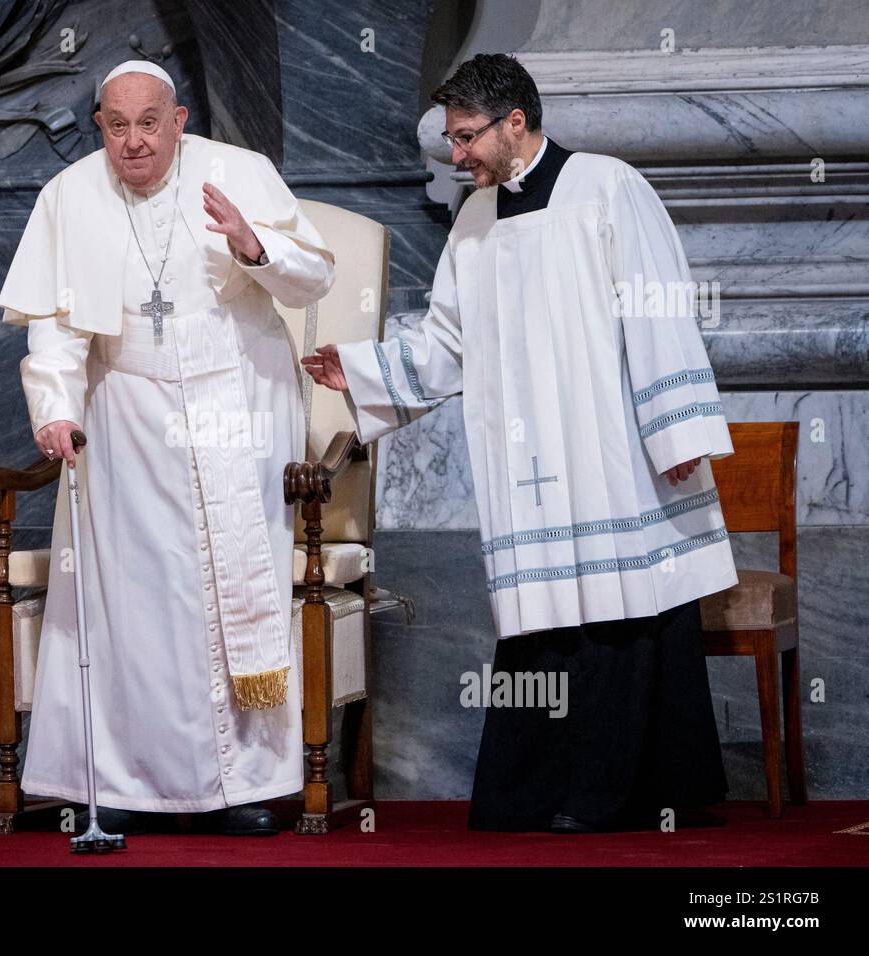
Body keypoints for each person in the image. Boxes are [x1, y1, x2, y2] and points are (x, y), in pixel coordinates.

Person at [302, 53, 735, 833]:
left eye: (467, 137)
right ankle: (534, 791)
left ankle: (613, 795)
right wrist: (360, 371)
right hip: (528, 460)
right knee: (546, 622)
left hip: (610, 451)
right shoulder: (475, 220)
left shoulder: (607, 187)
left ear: (516, 122)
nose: (456, 154)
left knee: (620, 616)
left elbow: (659, 309)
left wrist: (677, 429)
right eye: (451, 138)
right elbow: (446, 343)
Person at [0, 60, 335, 836]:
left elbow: (314, 278)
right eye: (116, 126)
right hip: (126, 416)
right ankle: (128, 784)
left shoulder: (239, 172)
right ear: (100, 127)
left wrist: (254, 246)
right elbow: (56, 325)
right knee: (136, 602)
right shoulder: (69, 196)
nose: (134, 142)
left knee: (229, 592)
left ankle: (244, 786)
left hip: (238, 404)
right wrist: (55, 411)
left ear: (179, 120)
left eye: (149, 124)